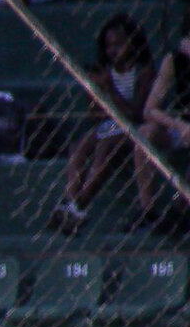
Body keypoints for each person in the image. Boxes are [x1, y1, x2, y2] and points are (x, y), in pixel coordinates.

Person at [48, 15, 155, 235]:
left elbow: (135, 114)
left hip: (132, 127)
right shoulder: (105, 71)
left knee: (104, 148)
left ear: (133, 43)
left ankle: (80, 205)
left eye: (119, 44)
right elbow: (94, 116)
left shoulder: (143, 72)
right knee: (80, 145)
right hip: (109, 124)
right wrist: (95, 91)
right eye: (109, 46)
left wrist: (109, 88)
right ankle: (70, 199)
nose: (113, 51)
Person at [136, 20, 190, 234]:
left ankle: (179, 212)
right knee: (144, 133)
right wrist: (178, 124)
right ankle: (147, 211)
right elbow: (149, 110)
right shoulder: (175, 60)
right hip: (182, 127)